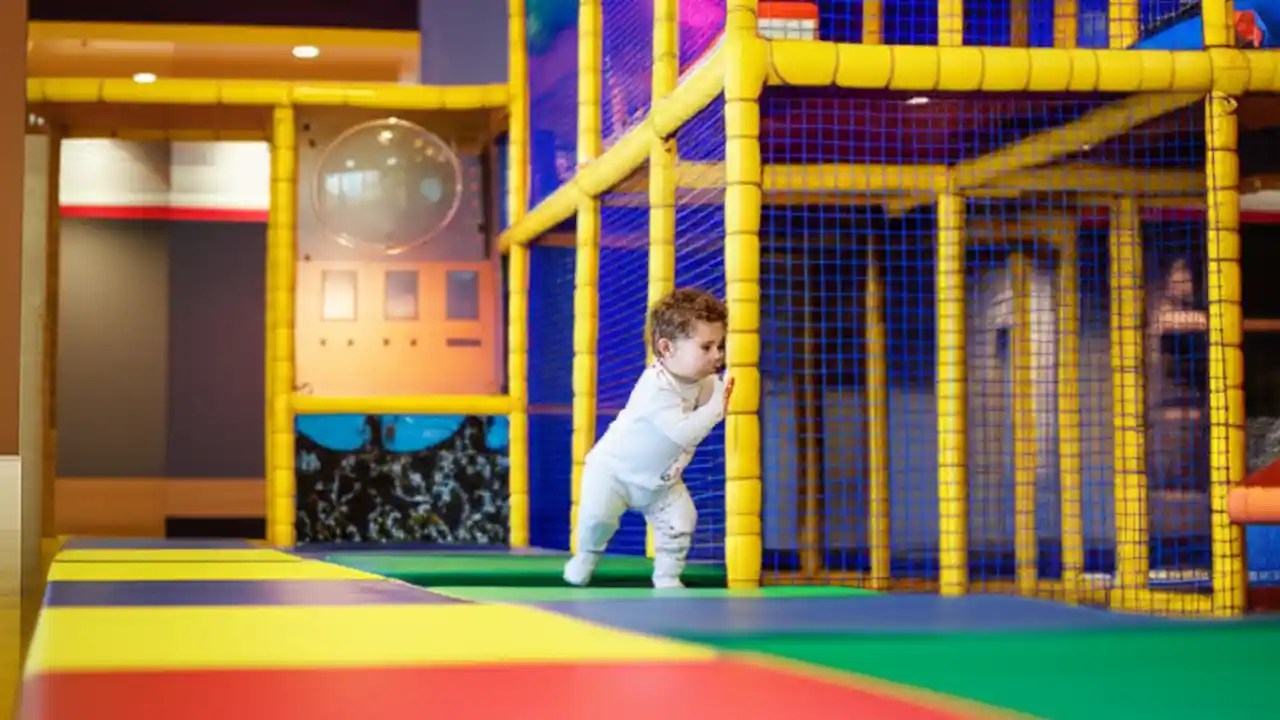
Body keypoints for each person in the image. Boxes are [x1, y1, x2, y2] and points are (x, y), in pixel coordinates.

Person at [563, 287, 735, 589]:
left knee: (683, 520)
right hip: (612, 473)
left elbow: (718, 391)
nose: (718, 355)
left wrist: (720, 393)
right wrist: (718, 408)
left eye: (720, 346)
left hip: (661, 483)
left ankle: (667, 577)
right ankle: (585, 558)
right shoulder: (655, 387)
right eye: (706, 347)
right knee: (598, 522)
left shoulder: (706, 382)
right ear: (667, 349)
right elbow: (685, 432)